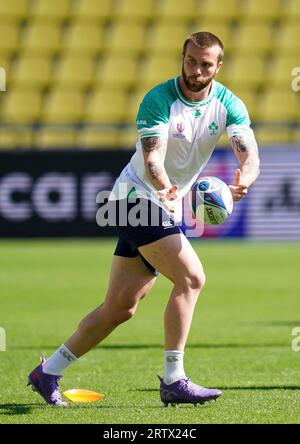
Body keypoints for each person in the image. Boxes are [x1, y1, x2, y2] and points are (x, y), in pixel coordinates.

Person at [28, 32, 260, 406]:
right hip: (134, 200)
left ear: (219, 66)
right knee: (192, 277)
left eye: (205, 64)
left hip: (159, 205)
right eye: (191, 61)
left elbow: (248, 152)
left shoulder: (229, 104)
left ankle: (47, 372)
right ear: (182, 57)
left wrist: (244, 179)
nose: (196, 70)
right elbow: (153, 159)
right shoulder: (159, 98)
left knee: (120, 308)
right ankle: (174, 379)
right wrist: (167, 187)